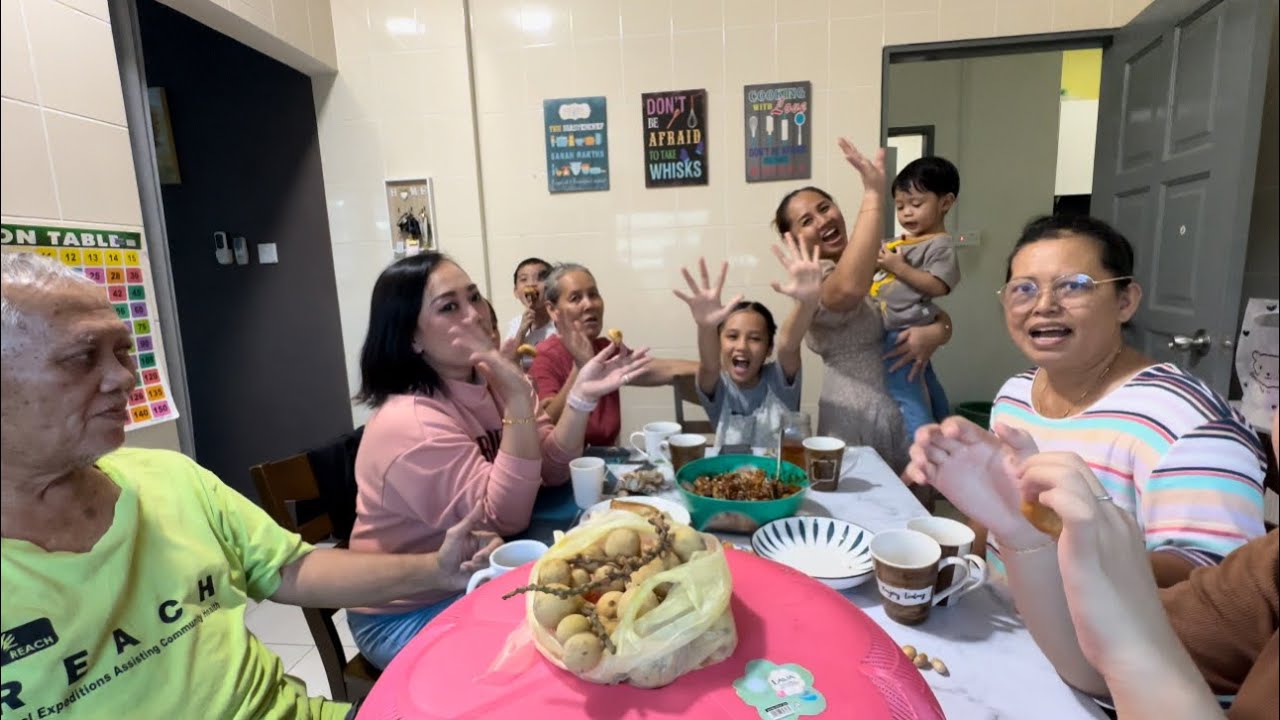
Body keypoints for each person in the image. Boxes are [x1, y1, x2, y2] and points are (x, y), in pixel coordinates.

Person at [0, 252, 501, 720]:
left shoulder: (169, 477)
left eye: (123, 352)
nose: (123, 378)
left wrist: (437, 571)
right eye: (83, 356)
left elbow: (290, 571)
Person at [346, 253, 649, 668]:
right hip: (406, 612)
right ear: (411, 337)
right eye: (449, 306)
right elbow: (504, 518)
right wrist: (520, 399)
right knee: (570, 637)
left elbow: (552, 469)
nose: (474, 314)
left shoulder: (490, 379)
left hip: (479, 569)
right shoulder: (410, 422)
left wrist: (580, 399)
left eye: (474, 297)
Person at [905, 410, 1278, 719]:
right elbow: (1094, 666)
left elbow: (1132, 658)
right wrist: (1025, 536)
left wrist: (1134, 636)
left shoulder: (1195, 424)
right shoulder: (1268, 568)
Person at [982, 214, 1266, 585]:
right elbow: (991, 523)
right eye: (1024, 289)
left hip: (1092, 641)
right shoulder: (1014, 396)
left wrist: (1077, 543)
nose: (1044, 305)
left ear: (1125, 301)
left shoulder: (1186, 421)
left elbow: (1219, 590)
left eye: (1073, 286)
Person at [770, 139, 953, 472]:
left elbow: (930, 304)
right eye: (806, 221)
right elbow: (848, 291)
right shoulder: (815, 280)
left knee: (915, 507)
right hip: (852, 419)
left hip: (909, 406)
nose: (822, 221)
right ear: (793, 239)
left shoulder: (885, 254)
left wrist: (939, 332)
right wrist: (873, 194)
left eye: (824, 208)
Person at [672, 235, 822, 447]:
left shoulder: (780, 382)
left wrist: (807, 304)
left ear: (768, 348)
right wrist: (706, 327)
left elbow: (788, 345)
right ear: (719, 343)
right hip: (728, 477)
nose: (741, 346)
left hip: (779, 477)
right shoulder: (717, 386)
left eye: (755, 339)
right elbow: (709, 365)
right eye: (732, 336)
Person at [530, 263, 697, 447]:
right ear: (553, 310)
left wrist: (718, 367)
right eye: (576, 298)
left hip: (609, 462)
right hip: (567, 469)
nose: (589, 304)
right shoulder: (545, 356)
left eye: (593, 295)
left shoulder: (605, 348)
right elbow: (546, 424)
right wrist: (580, 368)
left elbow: (662, 369)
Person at [872, 156, 962, 437]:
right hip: (904, 328)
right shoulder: (901, 242)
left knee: (905, 394)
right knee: (926, 384)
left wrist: (898, 267)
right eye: (900, 206)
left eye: (916, 204)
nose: (907, 213)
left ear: (945, 203)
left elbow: (938, 285)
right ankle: (945, 428)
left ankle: (922, 446)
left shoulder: (940, 244)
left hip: (900, 332)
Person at [504, 257, 556, 356]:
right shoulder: (515, 325)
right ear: (515, 292)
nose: (531, 284)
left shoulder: (561, 323)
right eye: (524, 279)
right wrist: (521, 332)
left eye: (540, 278)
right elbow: (507, 364)